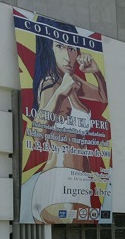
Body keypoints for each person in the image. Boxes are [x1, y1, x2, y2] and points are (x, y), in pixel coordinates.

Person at [27, 16, 109, 223]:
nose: (68, 56)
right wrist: (59, 95)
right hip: (59, 177)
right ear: (49, 49)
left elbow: (102, 97)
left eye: (72, 48)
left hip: (79, 179)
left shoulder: (72, 81)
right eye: (60, 47)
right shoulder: (51, 83)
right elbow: (37, 135)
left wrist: (97, 73)